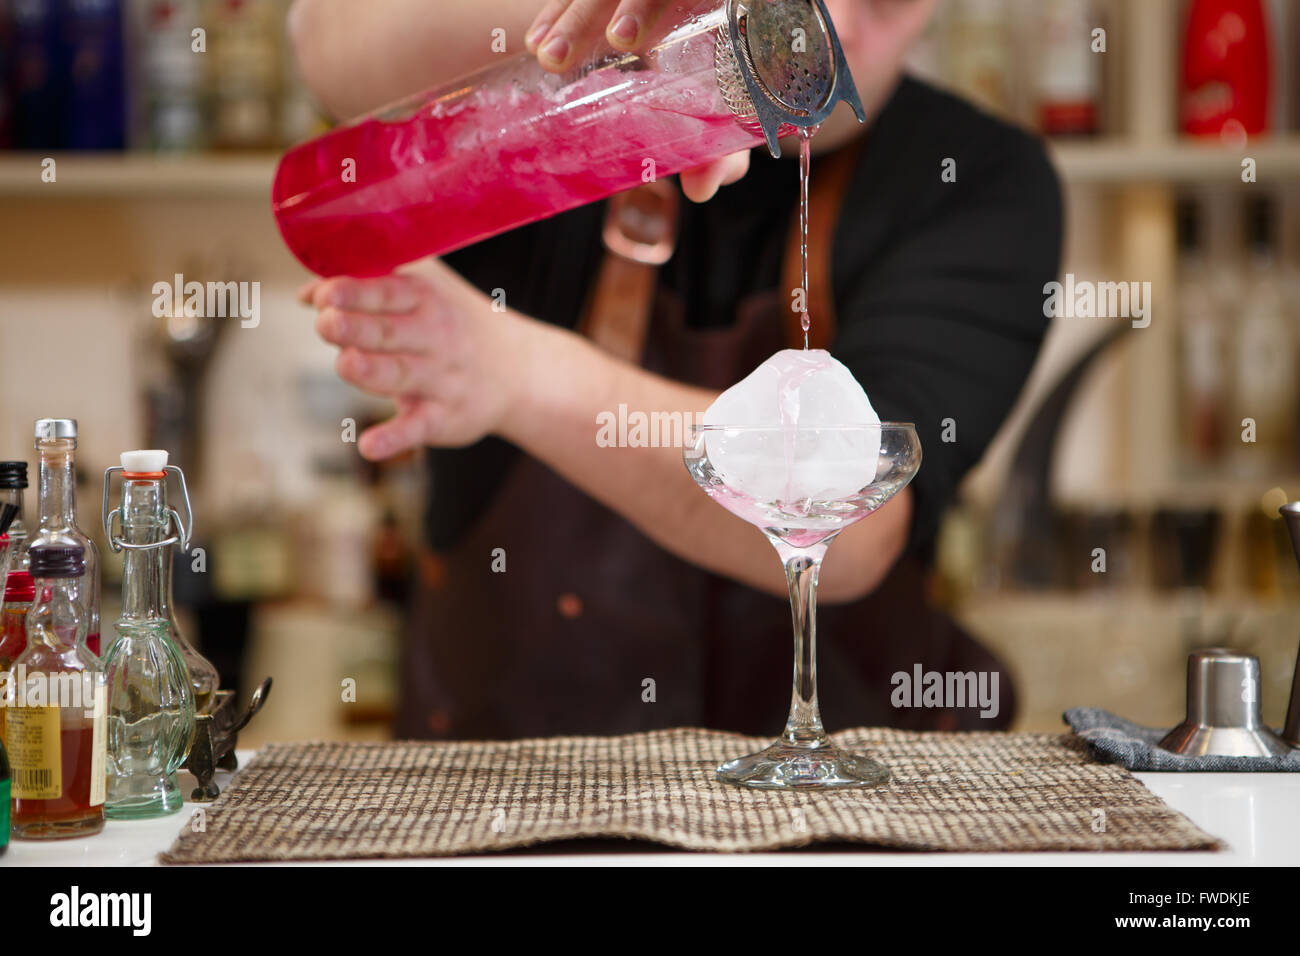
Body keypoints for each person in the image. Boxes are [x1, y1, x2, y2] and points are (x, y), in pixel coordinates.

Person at [289, 0, 1062, 739]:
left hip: (837, 819)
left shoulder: (979, 176)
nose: (836, 23)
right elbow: (323, 44)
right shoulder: (575, 112)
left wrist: (515, 375)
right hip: (518, 799)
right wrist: (598, 17)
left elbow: (853, 521)